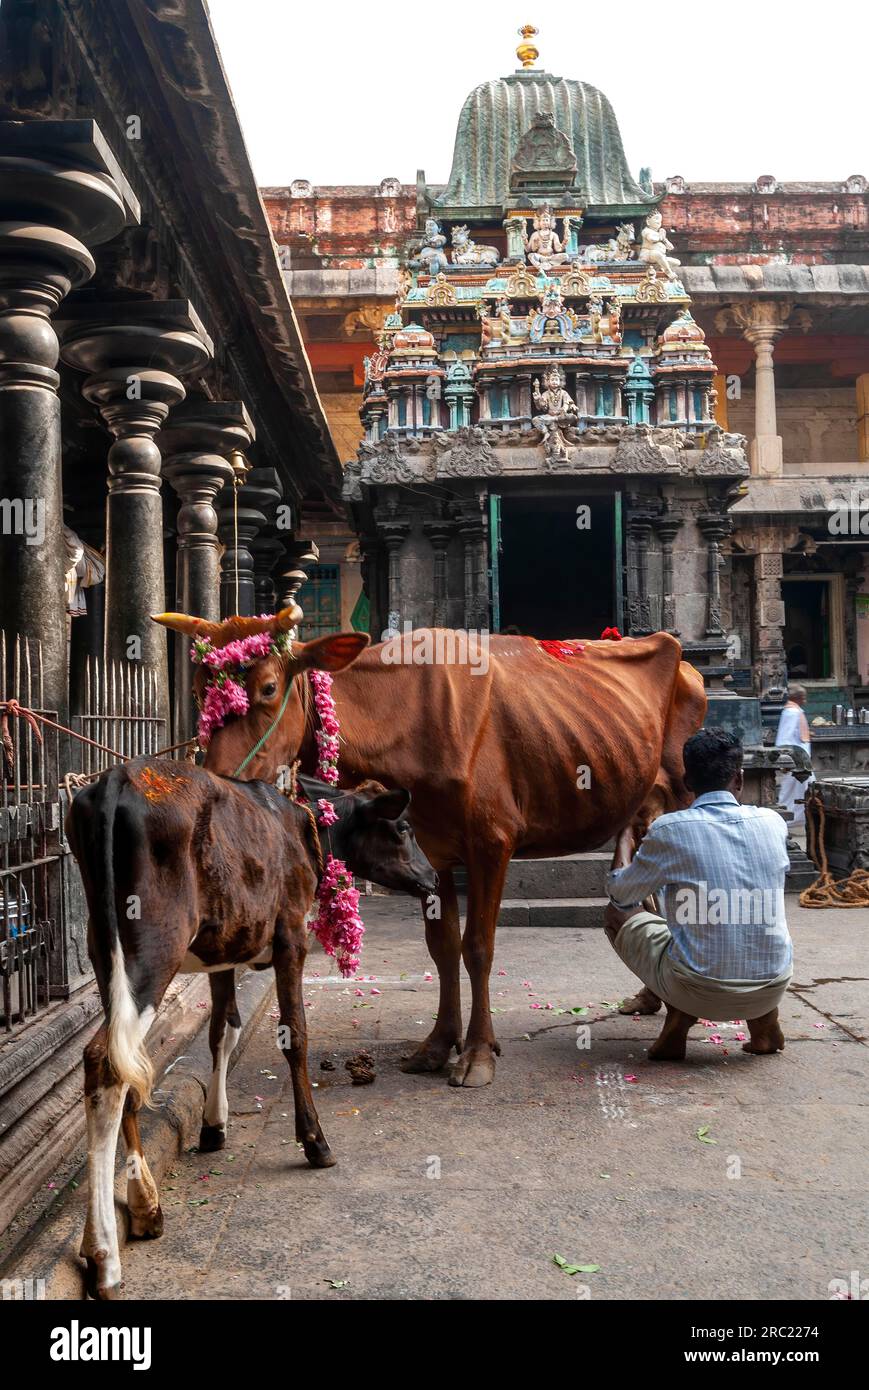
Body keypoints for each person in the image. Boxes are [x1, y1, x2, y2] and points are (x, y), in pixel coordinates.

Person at [604, 729, 793, 1061]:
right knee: (723, 918)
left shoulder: (670, 829)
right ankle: (764, 1024)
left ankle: (678, 1021)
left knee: (617, 915)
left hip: (699, 991)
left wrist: (624, 839)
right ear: (739, 778)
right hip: (774, 985)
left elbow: (621, 894)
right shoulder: (773, 822)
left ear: (687, 781)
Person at [775, 684, 813, 827]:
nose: (805, 700)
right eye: (803, 697)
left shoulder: (794, 711)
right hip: (795, 758)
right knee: (791, 788)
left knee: (800, 788)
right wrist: (786, 757)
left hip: (801, 758)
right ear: (797, 698)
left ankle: (799, 817)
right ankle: (783, 817)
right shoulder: (792, 712)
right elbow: (785, 736)